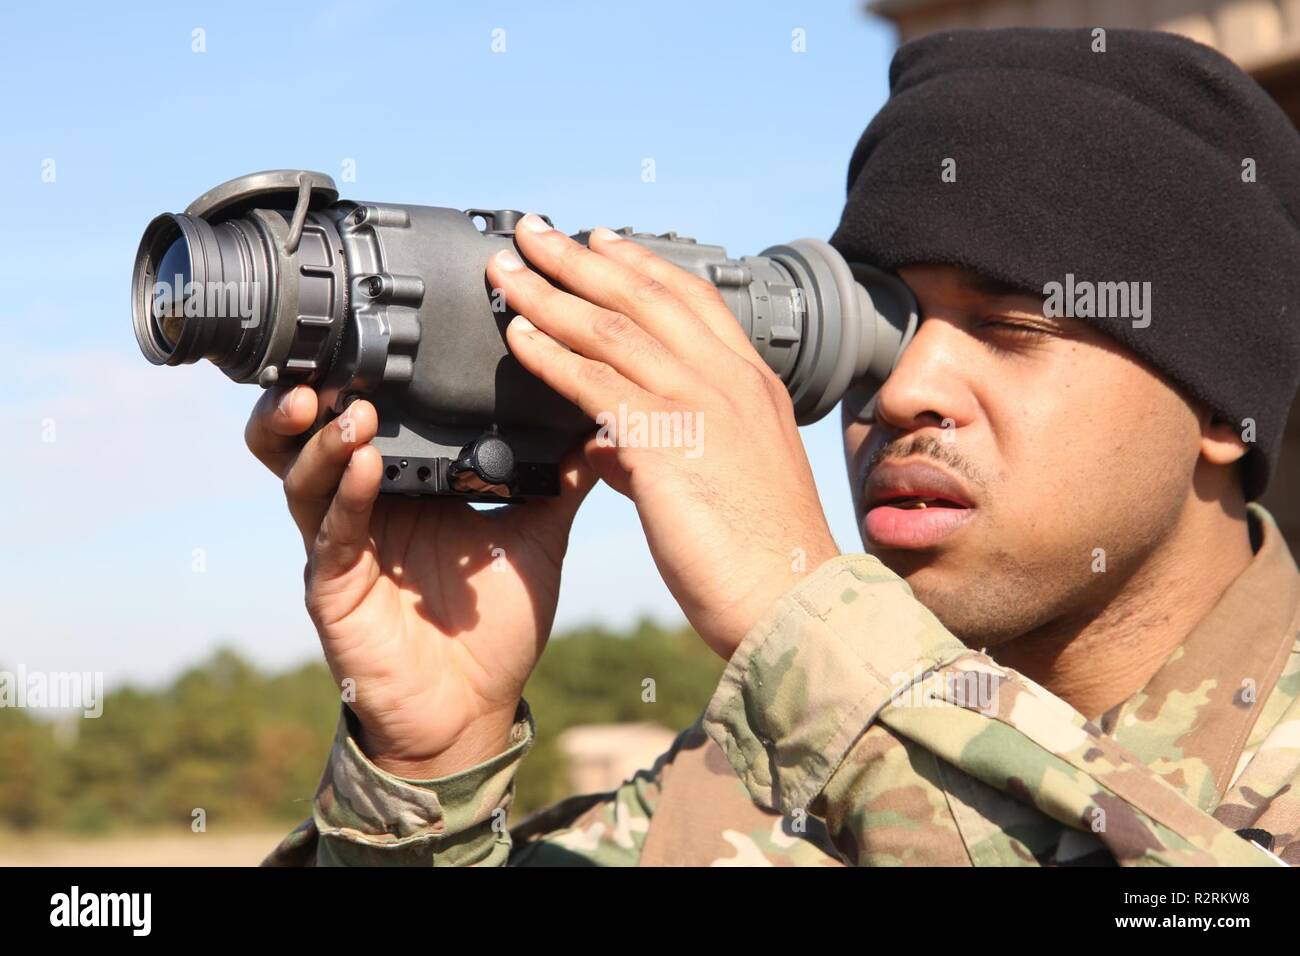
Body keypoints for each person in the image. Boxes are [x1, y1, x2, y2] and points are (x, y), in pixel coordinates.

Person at [255, 27, 1300, 866]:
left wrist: (812, 634)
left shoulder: (824, 713)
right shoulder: (748, 777)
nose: (904, 387)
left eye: (1008, 327)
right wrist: (427, 772)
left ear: (1216, 407)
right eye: (882, 326)